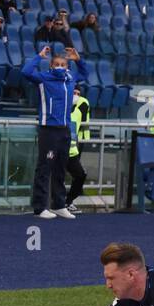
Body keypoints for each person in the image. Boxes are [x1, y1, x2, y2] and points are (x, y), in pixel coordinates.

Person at [23, 45, 87, 220]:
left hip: (64, 131)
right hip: (48, 130)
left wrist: (78, 59)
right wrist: (39, 56)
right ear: (51, 66)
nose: (60, 66)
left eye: (63, 64)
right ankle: (40, 207)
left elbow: (85, 74)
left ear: (67, 67)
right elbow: (26, 72)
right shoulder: (43, 78)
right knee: (45, 168)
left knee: (60, 168)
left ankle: (59, 205)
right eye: (56, 64)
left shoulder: (70, 78)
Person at [65, 83, 90, 213]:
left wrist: (83, 142)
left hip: (72, 151)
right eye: (74, 93)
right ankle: (56, 203)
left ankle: (68, 201)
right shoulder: (60, 107)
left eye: (78, 94)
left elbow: (82, 128)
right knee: (56, 177)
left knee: (81, 175)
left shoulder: (80, 110)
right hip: (58, 151)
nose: (76, 96)